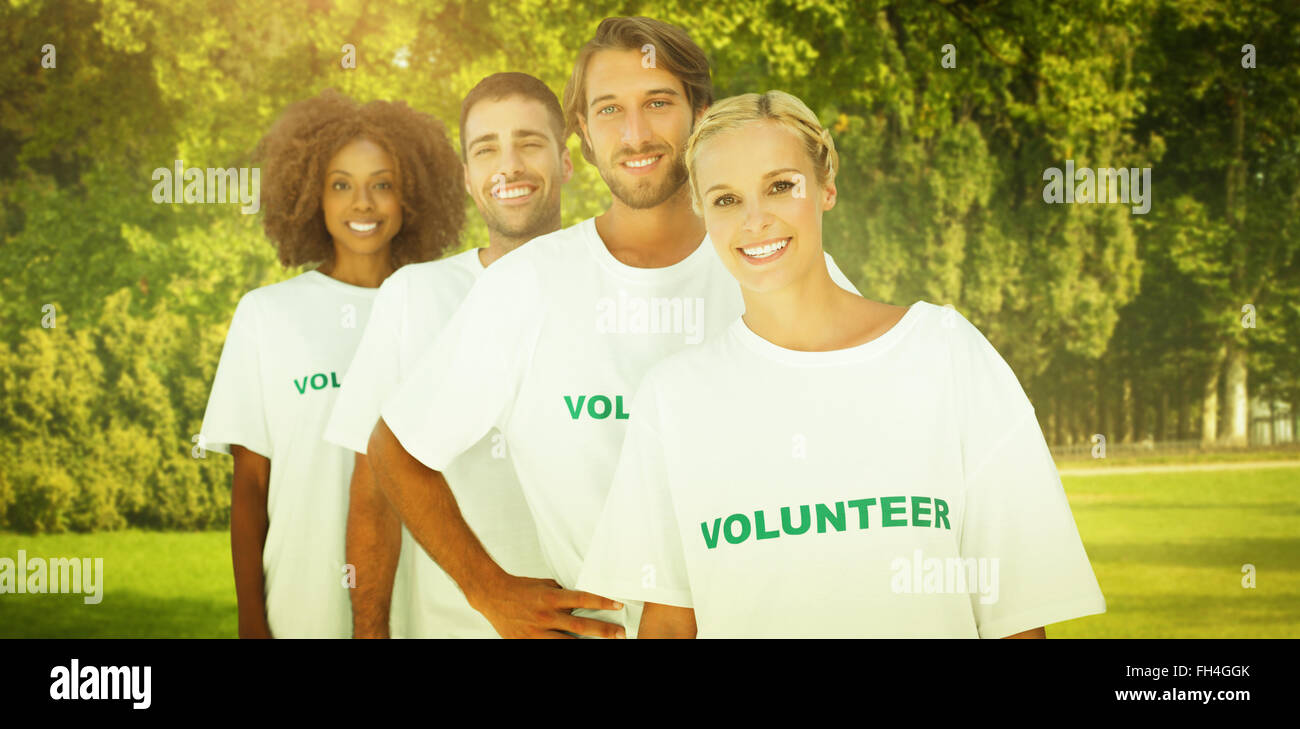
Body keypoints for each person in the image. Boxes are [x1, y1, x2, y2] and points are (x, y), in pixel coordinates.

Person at [366, 18, 861, 639]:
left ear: (699, 114)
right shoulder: (528, 286)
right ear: (584, 136)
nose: (636, 134)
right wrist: (489, 591)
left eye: (658, 102)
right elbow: (397, 447)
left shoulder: (778, 261)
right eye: (608, 110)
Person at [576, 90, 1107, 638]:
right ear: (703, 214)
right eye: (726, 199)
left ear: (826, 187)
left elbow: (1015, 617)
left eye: (781, 187)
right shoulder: (674, 397)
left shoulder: (946, 354)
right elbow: (668, 624)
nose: (755, 220)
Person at [199, 89, 465, 638]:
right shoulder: (267, 315)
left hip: (423, 612)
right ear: (309, 197)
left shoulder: (448, 309)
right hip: (300, 608)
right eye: (341, 185)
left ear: (412, 195)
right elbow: (249, 485)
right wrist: (252, 617)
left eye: (382, 185)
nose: (362, 204)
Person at [324, 73, 567, 638]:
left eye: (530, 143)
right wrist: (370, 633)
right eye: (486, 149)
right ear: (467, 176)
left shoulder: (615, 288)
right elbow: (374, 487)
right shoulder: (414, 295)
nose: (509, 165)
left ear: (568, 159)